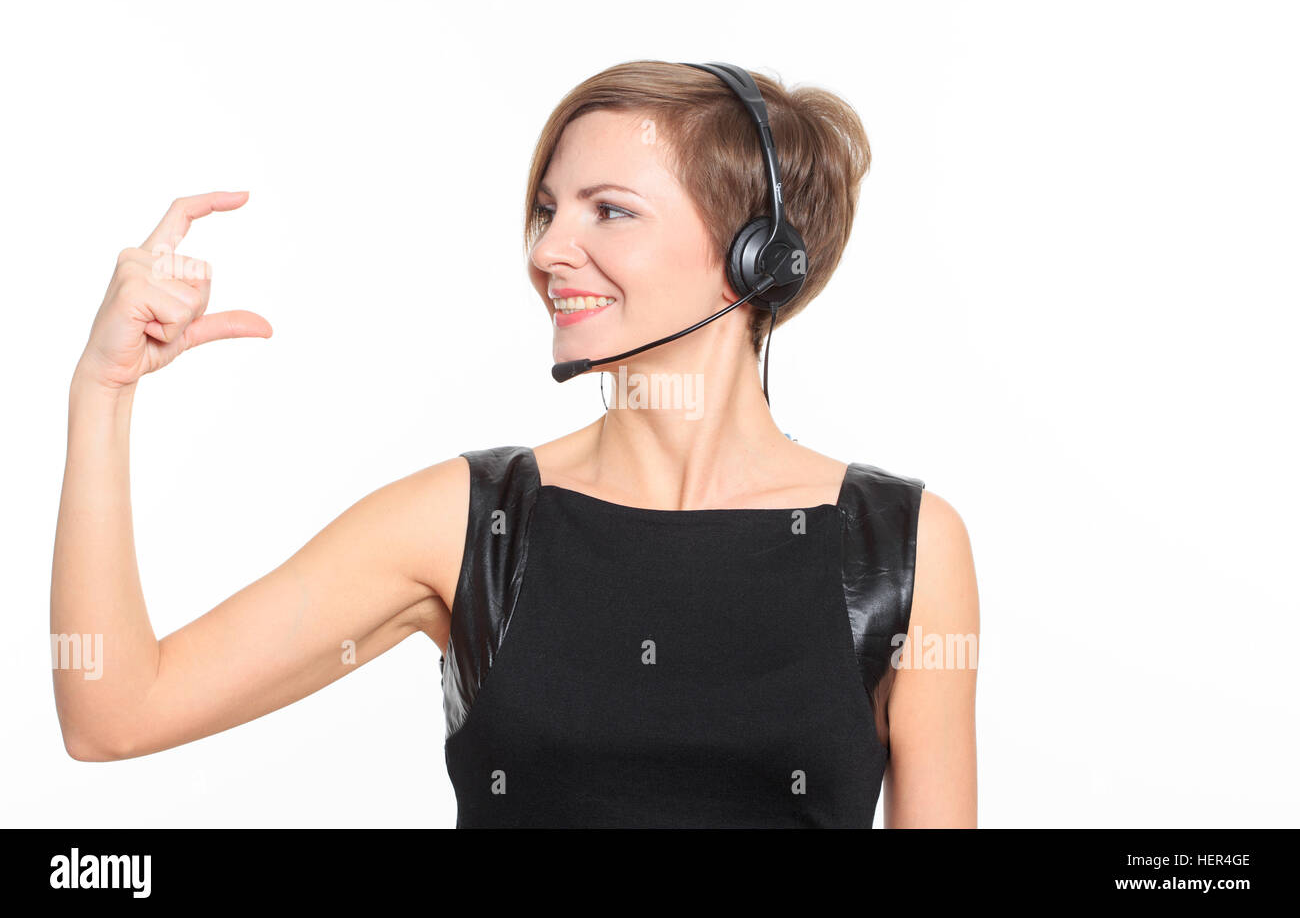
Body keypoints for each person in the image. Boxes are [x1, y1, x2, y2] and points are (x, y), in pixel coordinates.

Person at [52, 60, 979, 828]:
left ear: (757, 255)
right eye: (547, 210)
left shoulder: (899, 545)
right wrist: (103, 393)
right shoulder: (468, 522)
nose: (547, 250)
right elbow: (116, 712)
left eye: (607, 210)